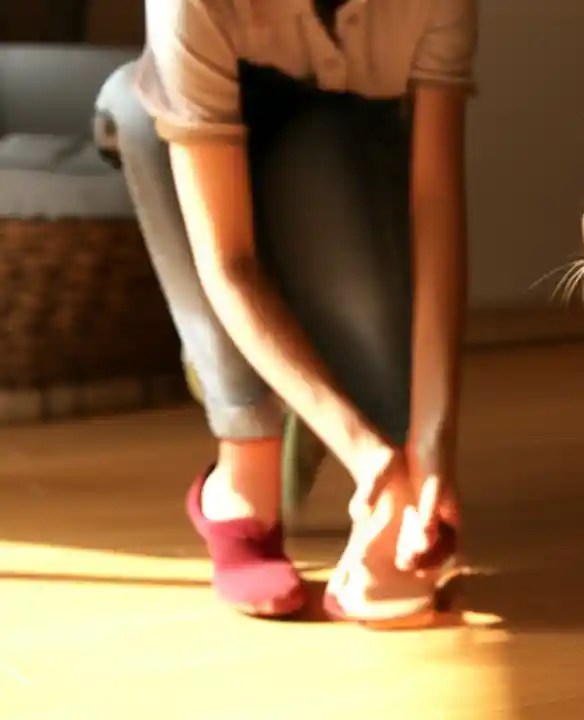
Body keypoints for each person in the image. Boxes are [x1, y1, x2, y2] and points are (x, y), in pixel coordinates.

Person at [94, 0, 474, 626]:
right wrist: (366, 454)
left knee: (391, 397)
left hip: (333, 139)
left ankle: (372, 472)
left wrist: (429, 454)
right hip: (194, 149)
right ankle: (245, 473)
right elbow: (228, 259)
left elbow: (434, 207)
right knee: (139, 110)